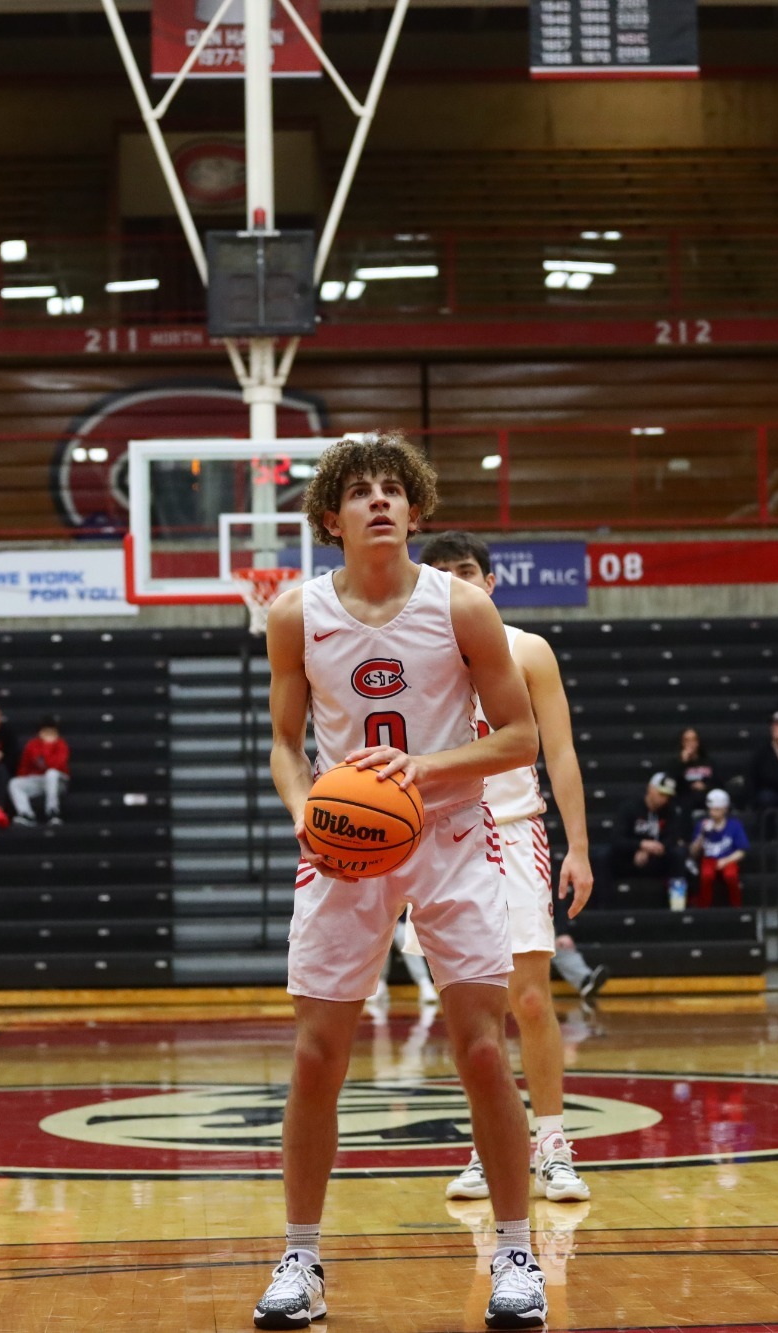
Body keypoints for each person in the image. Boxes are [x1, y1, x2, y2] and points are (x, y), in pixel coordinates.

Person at [255, 434, 546, 1331]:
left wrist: (419, 771)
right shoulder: (295, 615)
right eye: (359, 491)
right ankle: (300, 1254)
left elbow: (519, 739)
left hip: (453, 832)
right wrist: (306, 804)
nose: (378, 500)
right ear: (331, 517)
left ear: (414, 510)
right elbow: (283, 743)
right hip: (348, 845)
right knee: (316, 1056)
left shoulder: (461, 607)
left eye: (393, 489)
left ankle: (514, 1252)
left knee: (483, 1048)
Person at [409, 529, 598, 1207]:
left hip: (516, 832)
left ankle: (551, 1142)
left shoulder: (527, 649)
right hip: (443, 838)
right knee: (472, 1008)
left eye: (468, 573)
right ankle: (490, 1146)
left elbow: (563, 754)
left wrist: (577, 846)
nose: (458, 584)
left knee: (527, 997)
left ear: (490, 583)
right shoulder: (412, 657)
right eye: (444, 574)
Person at [610, 774, 690, 895]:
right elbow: (617, 839)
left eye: (668, 796)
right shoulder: (629, 808)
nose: (664, 799)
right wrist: (641, 845)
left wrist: (649, 849)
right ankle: (604, 905)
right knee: (604, 856)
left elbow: (673, 837)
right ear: (650, 789)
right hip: (630, 856)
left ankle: (677, 902)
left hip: (658, 857)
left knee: (679, 853)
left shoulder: (670, 810)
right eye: (661, 794)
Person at [690, 789, 748, 908]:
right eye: (711, 809)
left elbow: (742, 851)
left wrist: (726, 861)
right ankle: (703, 908)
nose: (713, 813)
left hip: (728, 859)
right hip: (708, 859)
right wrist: (702, 834)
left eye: (716, 809)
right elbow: (693, 852)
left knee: (731, 876)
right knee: (706, 876)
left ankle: (737, 908)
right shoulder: (702, 824)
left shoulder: (734, 825)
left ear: (725, 809)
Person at [8, 716, 70, 826]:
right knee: (14, 783)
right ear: (40, 732)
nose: (49, 734)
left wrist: (47, 746)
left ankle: (52, 811)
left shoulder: (61, 745)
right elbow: (24, 766)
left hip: (58, 782)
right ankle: (26, 814)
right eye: (46, 731)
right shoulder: (32, 745)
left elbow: (54, 766)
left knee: (51, 773)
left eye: (52, 731)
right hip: (39, 781)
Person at [673, 728, 714, 804]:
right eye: (687, 740)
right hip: (684, 801)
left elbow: (718, 783)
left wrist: (705, 787)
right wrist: (682, 763)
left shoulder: (708, 762)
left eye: (693, 740)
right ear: (682, 743)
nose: (690, 743)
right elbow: (672, 783)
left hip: (706, 800)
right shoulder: (675, 763)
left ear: (698, 742)